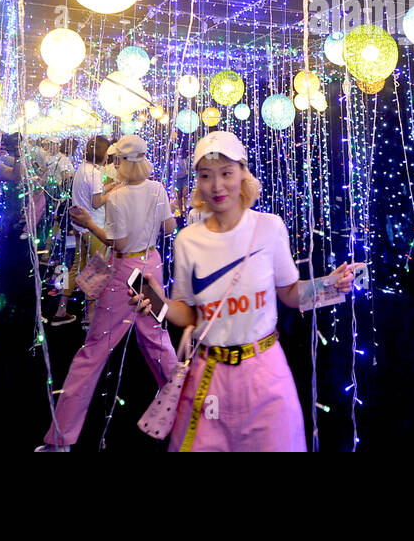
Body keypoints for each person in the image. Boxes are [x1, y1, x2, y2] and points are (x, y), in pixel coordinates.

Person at [138, 131, 357, 452]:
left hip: (264, 371)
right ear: (197, 181)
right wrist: (158, 300)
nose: (217, 186)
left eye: (226, 173)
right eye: (206, 176)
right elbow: (189, 313)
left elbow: (290, 294)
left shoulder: (269, 227)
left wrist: (329, 285)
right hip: (208, 376)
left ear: (243, 173)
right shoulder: (187, 240)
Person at [37, 134, 176, 450]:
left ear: (122, 162)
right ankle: (187, 407)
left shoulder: (119, 197)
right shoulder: (158, 188)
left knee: (93, 351)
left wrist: (89, 222)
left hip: (127, 272)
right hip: (151, 266)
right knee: (157, 339)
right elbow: (169, 229)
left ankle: (61, 438)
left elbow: (119, 243)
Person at [51, 136, 113, 327]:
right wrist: (113, 192)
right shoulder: (94, 173)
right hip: (93, 227)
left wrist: (111, 186)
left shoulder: (81, 168)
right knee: (96, 271)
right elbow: (96, 202)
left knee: (76, 268)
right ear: (104, 153)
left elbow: (90, 195)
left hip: (79, 227)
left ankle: (61, 310)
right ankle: (90, 316)